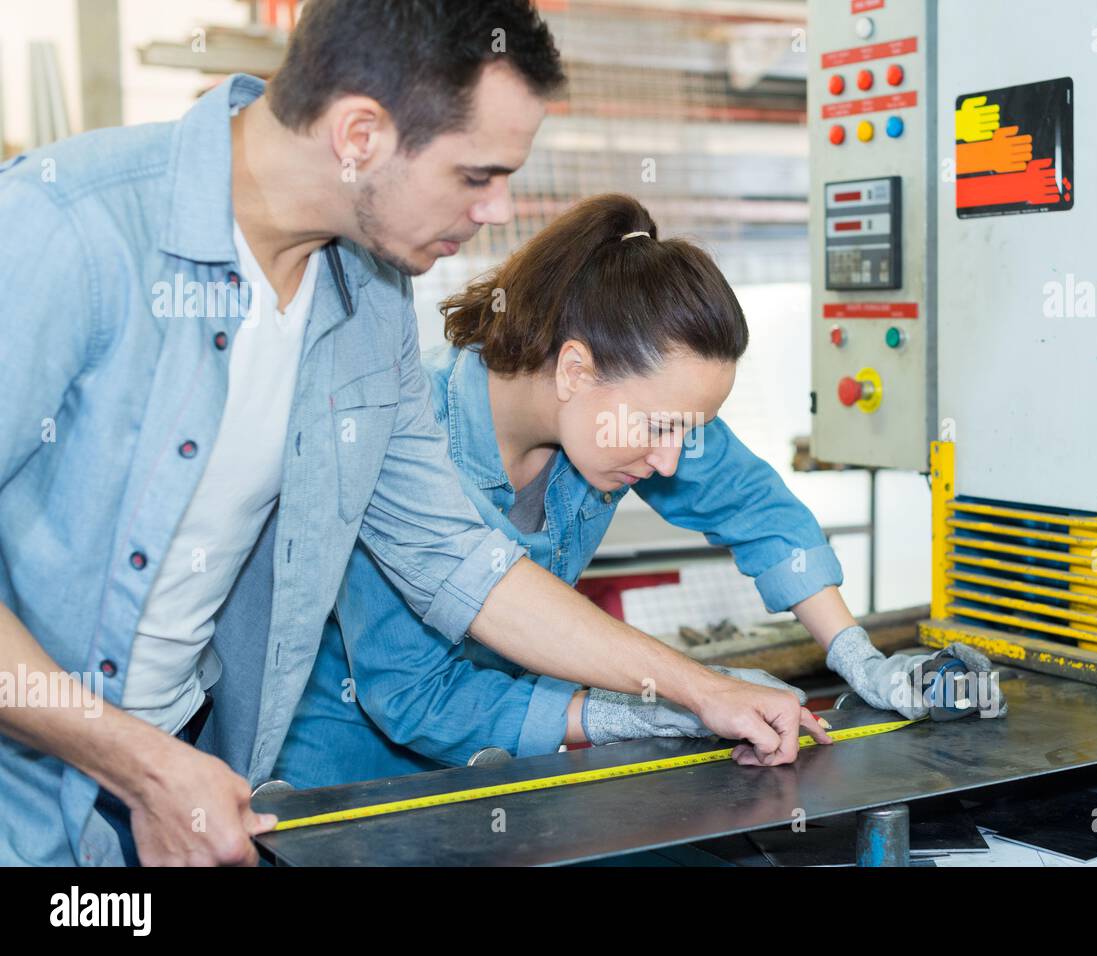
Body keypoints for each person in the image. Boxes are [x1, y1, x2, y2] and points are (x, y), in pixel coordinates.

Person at [0, 0, 828, 868]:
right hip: (44, 792)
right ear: (360, 133)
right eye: (477, 175)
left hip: (183, 782)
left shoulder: (367, 306)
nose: (498, 210)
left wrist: (699, 691)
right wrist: (137, 764)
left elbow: (457, 563)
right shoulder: (71, 233)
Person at [274, 194, 1006, 789]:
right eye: (658, 428)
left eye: (683, 432)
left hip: (503, 768)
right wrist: (660, 706)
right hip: (347, 782)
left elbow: (753, 505)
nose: (667, 459)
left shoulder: (630, 413)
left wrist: (859, 659)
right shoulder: (410, 436)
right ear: (574, 371)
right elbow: (419, 698)